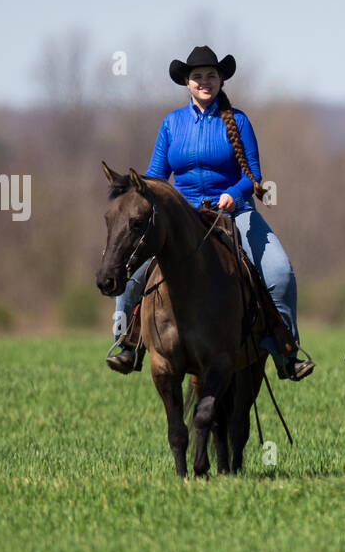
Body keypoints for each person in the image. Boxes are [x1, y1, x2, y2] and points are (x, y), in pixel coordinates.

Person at [106, 45, 313, 380]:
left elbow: (253, 176)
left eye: (211, 76)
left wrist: (232, 194)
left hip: (233, 212)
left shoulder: (239, 121)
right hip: (181, 216)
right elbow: (156, 176)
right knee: (132, 269)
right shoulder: (171, 123)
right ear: (187, 82)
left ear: (220, 80)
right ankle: (126, 344)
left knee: (280, 272)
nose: (205, 82)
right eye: (197, 77)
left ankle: (286, 349)